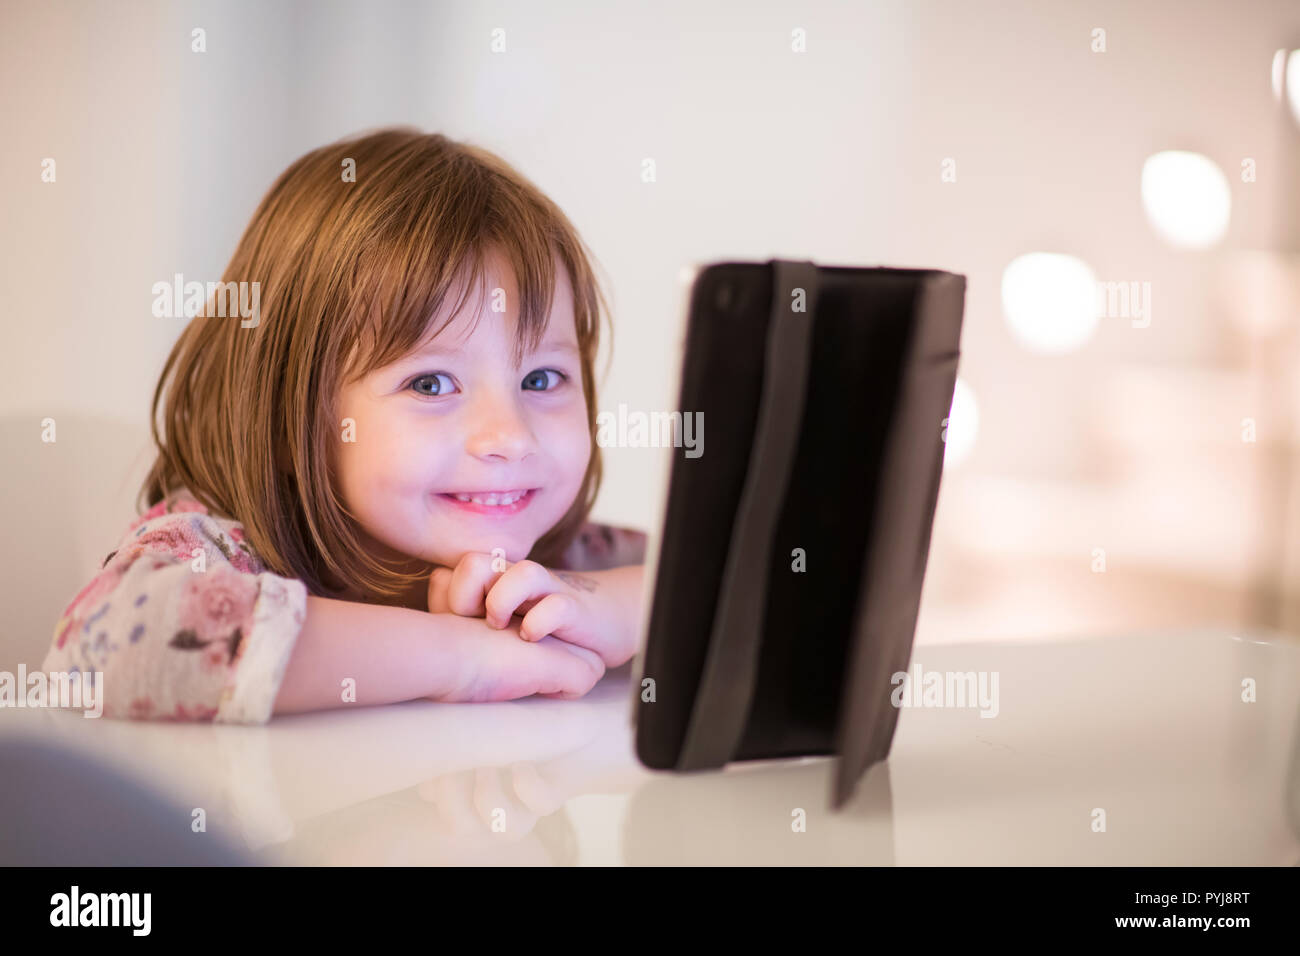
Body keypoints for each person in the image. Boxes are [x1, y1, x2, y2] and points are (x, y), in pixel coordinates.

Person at [42, 128, 647, 724]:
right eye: (430, 383)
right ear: (287, 418)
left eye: (542, 379)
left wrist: (621, 606)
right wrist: (463, 659)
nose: (510, 436)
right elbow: (104, 645)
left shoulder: (556, 561)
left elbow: (728, 576)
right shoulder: (228, 549)